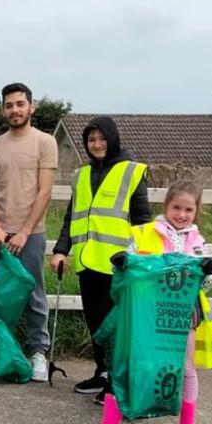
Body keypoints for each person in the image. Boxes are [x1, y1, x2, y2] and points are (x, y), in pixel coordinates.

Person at [100, 181, 212, 424]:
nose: (182, 214)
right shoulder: (144, 233)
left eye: (188, 209)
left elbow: (205, 286)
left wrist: (208, 272)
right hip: (145, 312)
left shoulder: (199, 243)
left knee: (187, 368)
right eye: (176, 207)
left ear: (196, 211)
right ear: (165, 206)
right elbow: (125, 271)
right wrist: (120, 262)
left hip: (182, 315)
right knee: (132, 364)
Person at [49, 116, 150, 403]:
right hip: (86, 262)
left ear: (113, 139)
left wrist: (139, 259)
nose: (97, 144)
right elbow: (72, 218)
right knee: (95, 322)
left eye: (101, 139)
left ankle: (118, 383)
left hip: (118, 266)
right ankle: (103, 373)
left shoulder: (131, 172)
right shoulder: (81, 175)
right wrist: (60, 250)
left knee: (116, 325)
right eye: (91, 140)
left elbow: (142, 221)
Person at [0, 82, 58, 382]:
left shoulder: (45, 143)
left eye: (20, 104)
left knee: (34, 293)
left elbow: (45, 191)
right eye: (9, 105)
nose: (15, 110)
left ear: (31, 106)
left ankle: (38, 351)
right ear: (3, 110)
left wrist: (24, 232)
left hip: (31, 234)